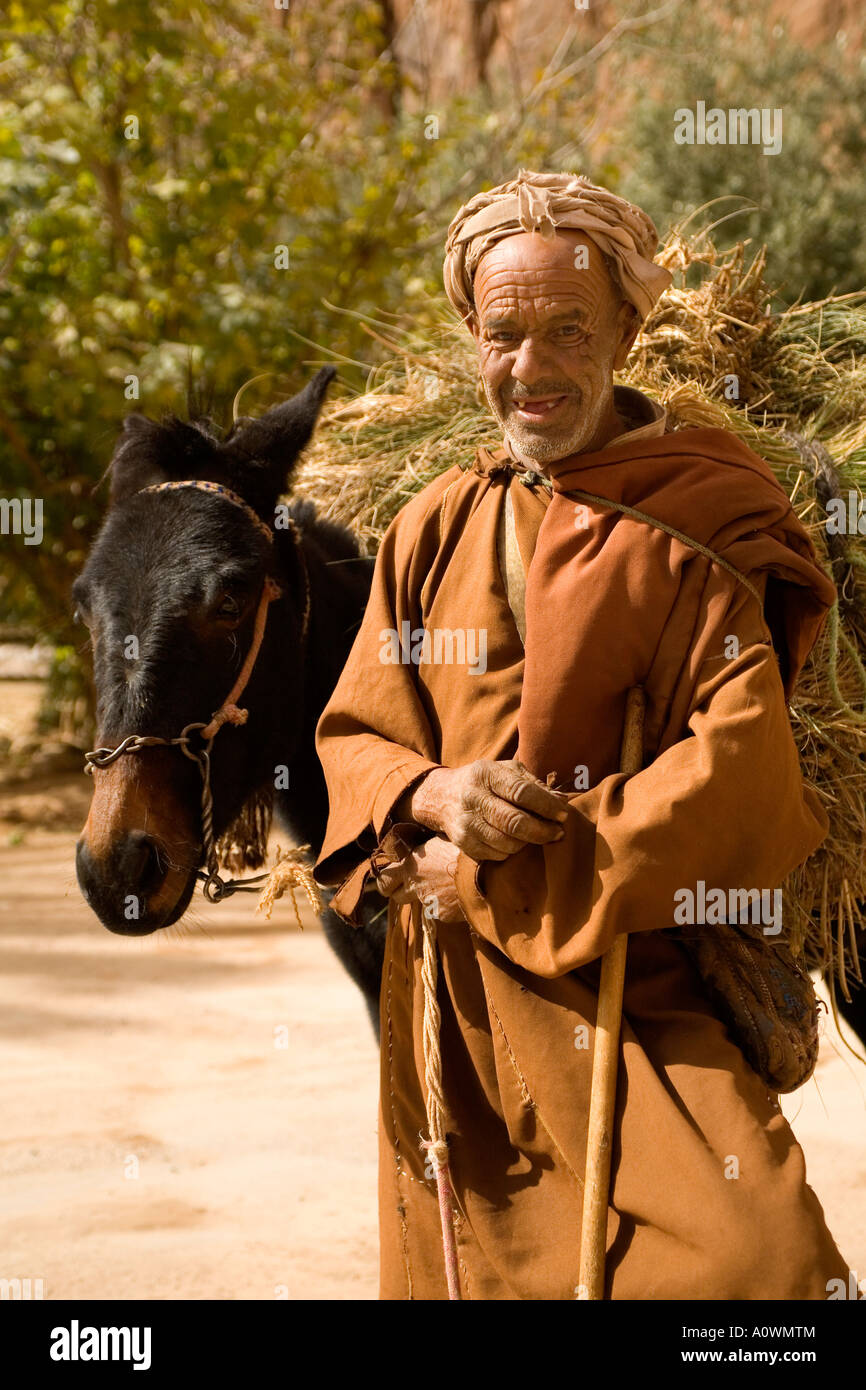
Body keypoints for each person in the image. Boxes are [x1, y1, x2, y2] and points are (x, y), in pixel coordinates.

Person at [314, 170, 851, 1299]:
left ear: (625, 327)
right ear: (471, 334)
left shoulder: (695, 515)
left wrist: (523, 875)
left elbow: (734, 765)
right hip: (457, 1009)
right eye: (503, 332)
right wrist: (429, 797)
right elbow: (357, 732)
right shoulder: (432, 526)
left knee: (759, 1266)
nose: (532, 366)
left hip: (629, 971)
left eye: (567, 329)